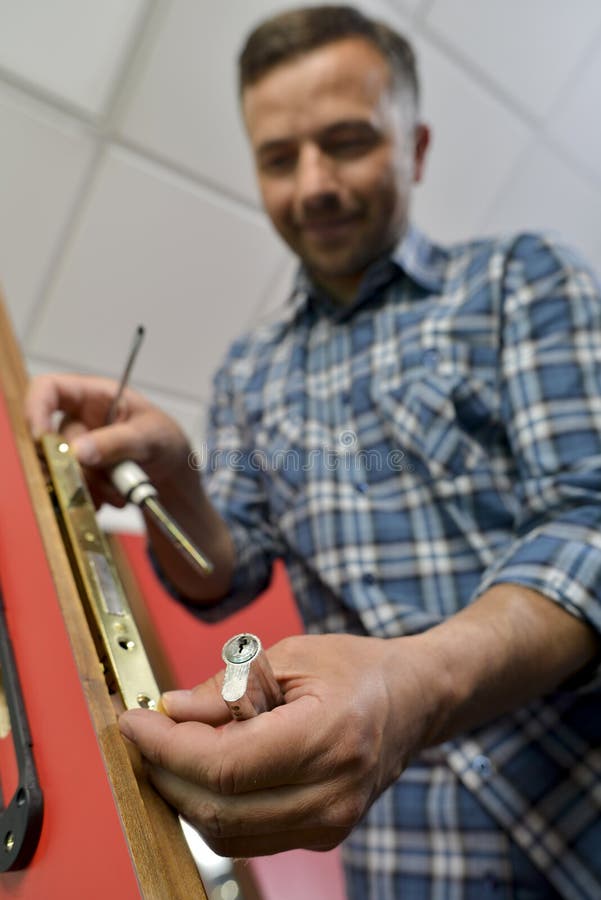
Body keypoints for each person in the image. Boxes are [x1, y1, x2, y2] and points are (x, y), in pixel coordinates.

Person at [25, 6, 601, 899]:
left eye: (346, 141)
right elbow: (227, 570)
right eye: (278, 157)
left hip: (579, 791)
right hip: (410, 862)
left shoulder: (519, 282)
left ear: (412, 146)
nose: (314, 183)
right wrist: (178, 483)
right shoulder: (249, 375)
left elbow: (590, 514)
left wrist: (416, 683)